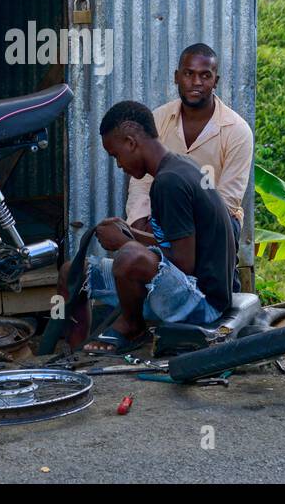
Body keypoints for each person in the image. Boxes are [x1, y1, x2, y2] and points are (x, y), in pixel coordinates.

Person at [58, 100, 237, 353]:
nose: (119, 165)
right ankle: (79, 355)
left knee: (129, 257)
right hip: (182, 287)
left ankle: (133, 327)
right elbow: (172, 246)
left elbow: (184, 265)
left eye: (116, 155)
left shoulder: (169, 182)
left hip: (202, 303)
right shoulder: (179, 166)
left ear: (131, 142)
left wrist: (125, 243)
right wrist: (130, 233)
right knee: (72, 271)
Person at [124, 43, 252, 280]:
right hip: (162, 218)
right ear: (176, 77)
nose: (196, 82)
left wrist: (183, 230)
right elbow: (141, 182)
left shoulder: (237, 130)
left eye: (205, 75)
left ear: (216, 80)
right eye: (188, 74)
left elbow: (227, 200)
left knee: (205, 272)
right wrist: (139, 224)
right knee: (140, 260)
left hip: (217, 221)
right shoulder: (158, 119)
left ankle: (217, 298)